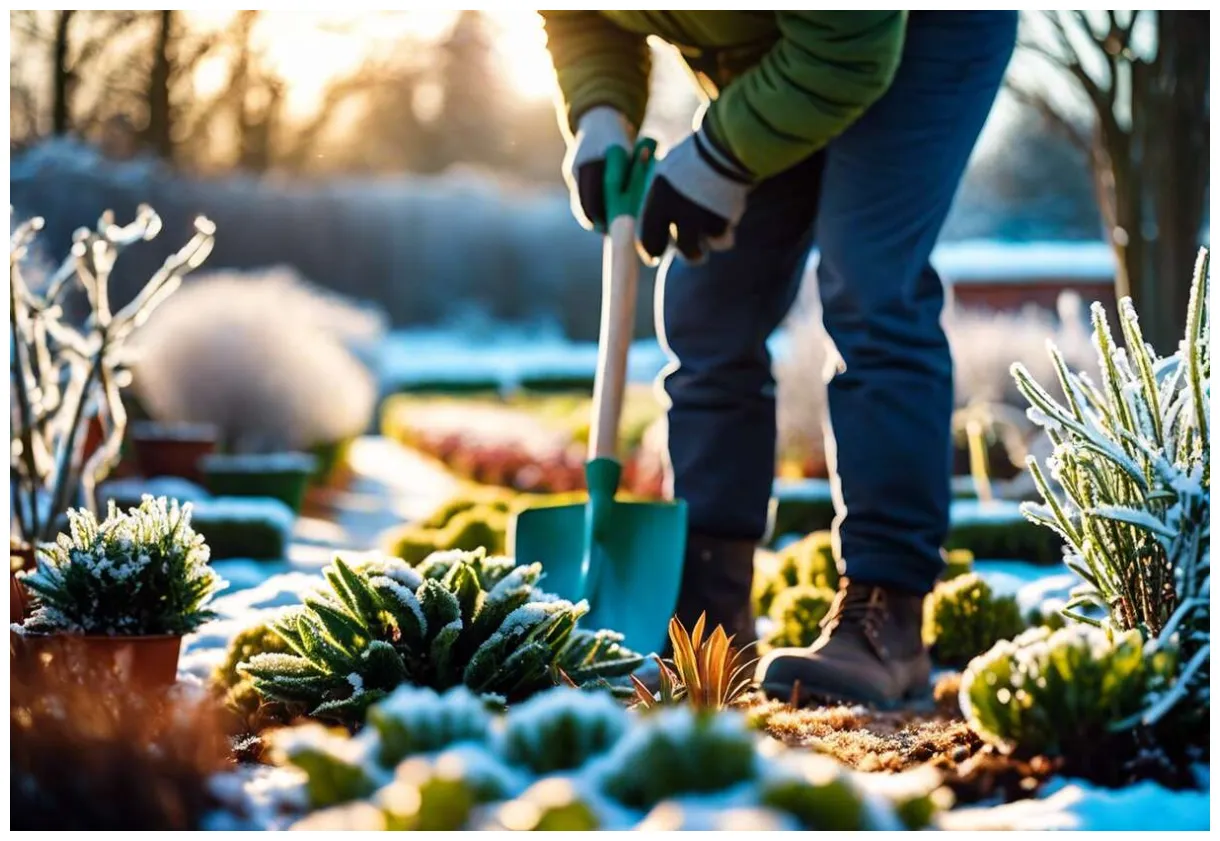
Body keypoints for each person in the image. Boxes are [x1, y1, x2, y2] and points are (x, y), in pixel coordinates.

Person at [540, 11, 1018, 705]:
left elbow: (849, 49)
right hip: (783, 61)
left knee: (870, 281)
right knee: (709, 302)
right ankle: (709, 617)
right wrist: (599, 111)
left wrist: (720, 157)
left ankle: (888, 616)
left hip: (917, 35)